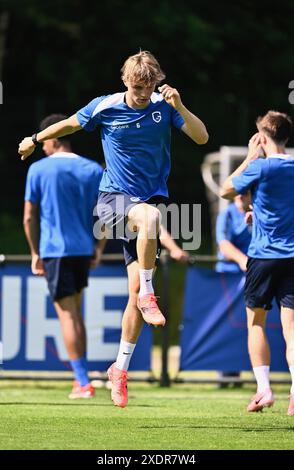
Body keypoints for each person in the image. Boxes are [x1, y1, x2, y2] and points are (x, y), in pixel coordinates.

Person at [18, 50, 208, 408]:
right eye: (137, 86)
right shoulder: (105, 106)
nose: (141, 93)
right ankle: (149, 294)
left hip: (149, 200)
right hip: (114, 198)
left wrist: (180, 106)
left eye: (148, 86)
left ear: (156, 82)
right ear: (125, 81)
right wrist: (34, 137)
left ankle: (119, 368)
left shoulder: (164, 106)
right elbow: (70, 125)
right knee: (151, 220)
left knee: (134, 292)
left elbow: (201, 138)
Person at [23, 114, 105, 399]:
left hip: (56, 251)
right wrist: (99, 248)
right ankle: (80, 378)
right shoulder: (93, 169)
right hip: (83, 250)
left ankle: (82, 382)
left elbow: (29, 216)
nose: (42, 146)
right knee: (75, 314)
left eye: (44, 141)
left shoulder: (39, 170)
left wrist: (35, 253)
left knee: (67, 316)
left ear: (54, 139)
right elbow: (104, 215)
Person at [220, 110, 294, 415]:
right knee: (292, 329)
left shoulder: (260, 167)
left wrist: (250, 156)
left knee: (256, 323)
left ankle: (264, 388)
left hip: (263, 257)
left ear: (262, 137)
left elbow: (226, 190)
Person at [215, 193, 252, 387]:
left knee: (252, 326)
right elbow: (223, 244)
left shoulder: (260, 210)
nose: (241, 195)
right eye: (238, 191)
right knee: (227, 326)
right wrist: (242, 260)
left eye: (245, 191)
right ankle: (225, 373)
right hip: (228, 278)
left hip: (256, 276)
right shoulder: (227, 214)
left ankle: (250, 374)